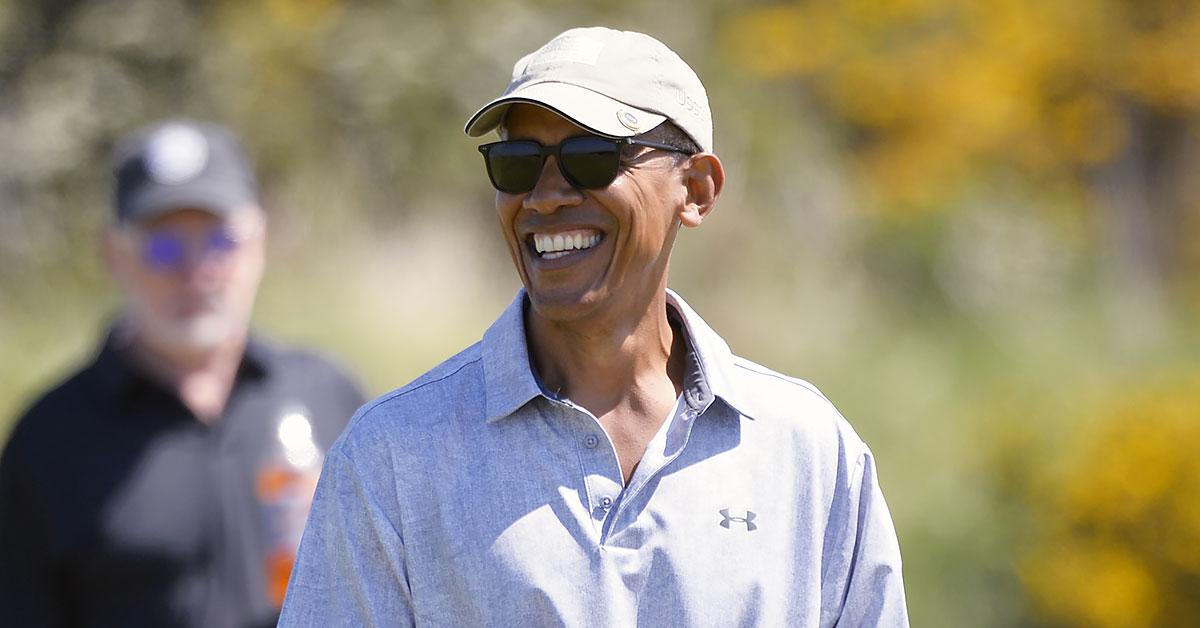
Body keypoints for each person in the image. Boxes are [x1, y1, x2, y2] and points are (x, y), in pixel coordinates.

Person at [280, 26, 909, 627]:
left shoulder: (807, 453)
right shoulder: (392, 456)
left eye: (590, 157)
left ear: (696, 189)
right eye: (517, 163)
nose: (546, 196)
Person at [0, 119, 366, 628]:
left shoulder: (332, 398)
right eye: (163, 246)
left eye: (220, 241)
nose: (194, 270)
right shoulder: (48, 441)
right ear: (114, 253)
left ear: (258, 241)